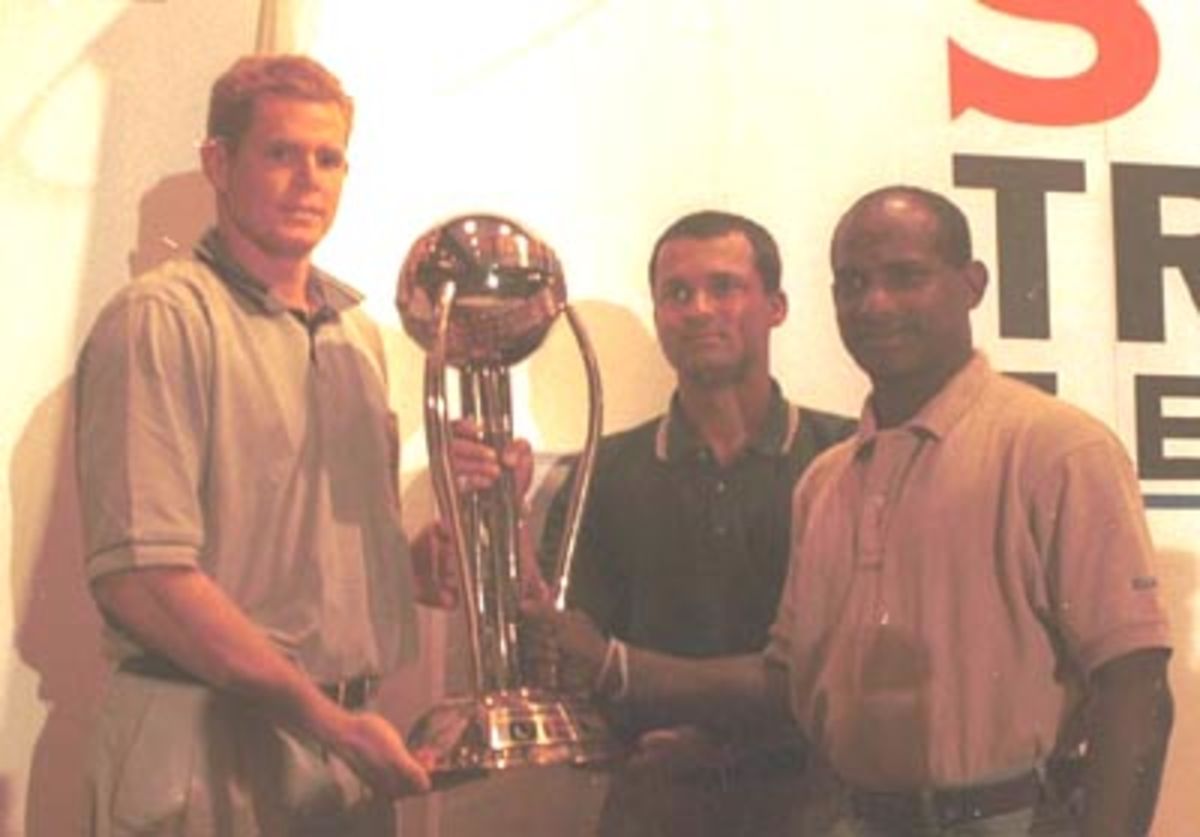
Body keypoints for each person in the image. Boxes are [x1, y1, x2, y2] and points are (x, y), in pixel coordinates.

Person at [532, 186, 1174, 837]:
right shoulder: (828, 479)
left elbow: (1139, 687)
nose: (875, 303)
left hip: (1008, 816)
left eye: (906, 277)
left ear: (972, 284)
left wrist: (620, 666)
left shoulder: (1058, 447)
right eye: (853, 282)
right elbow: (793, 684)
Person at [75, 54, 436, 837]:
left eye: (328, 157)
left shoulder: (356, 336)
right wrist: (327, 722)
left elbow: (300, 566)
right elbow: (145, 578)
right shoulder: (159, 319)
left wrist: (440, 558)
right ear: (219, 161)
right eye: (280, 153)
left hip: (340, 762)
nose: (308, 179)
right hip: (200, 750)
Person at [540, 211, 855, 836]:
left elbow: (856, 670)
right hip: (656, 801)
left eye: (725, 286)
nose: (699, 309)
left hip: (815, 807)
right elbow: (571, 657)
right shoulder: (600, 473)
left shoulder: (846, 457)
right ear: (659, 314)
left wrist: (735, 754)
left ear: (776, 305)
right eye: (677, 293)